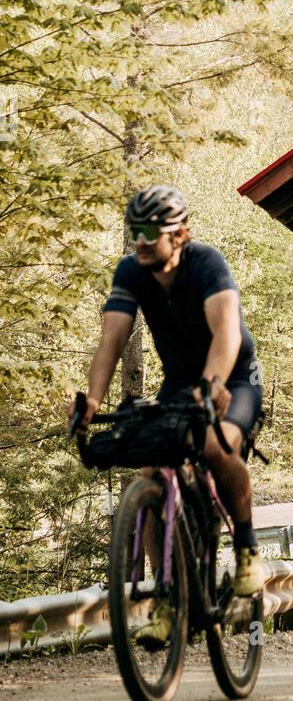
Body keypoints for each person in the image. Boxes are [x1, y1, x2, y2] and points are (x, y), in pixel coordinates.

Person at [82, 184, 266, 642]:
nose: (140, 240)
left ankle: (246, 548)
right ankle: (167, 601)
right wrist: (92, 399)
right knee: (151, 467)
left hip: (236, 377)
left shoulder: (207, 264)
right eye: (134, 231)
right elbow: (112, 339)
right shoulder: (132, 272)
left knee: (214, 445)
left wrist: (216, 384)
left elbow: (226, 332)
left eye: (150, 231)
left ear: (178, 233)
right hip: (180, 382)